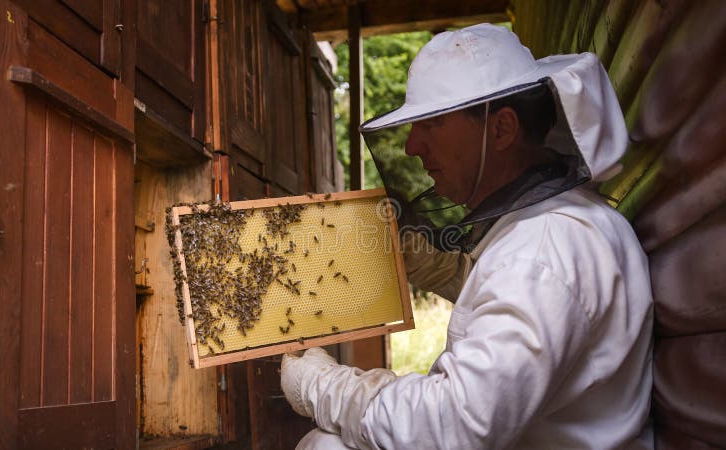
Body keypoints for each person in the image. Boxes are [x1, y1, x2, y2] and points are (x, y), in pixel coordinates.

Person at [280, 24, 654, 449]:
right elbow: (521, 301)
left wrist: (320, 385)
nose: (412, 146)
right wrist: (442, 269)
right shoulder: (548, 228)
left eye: (431, 122)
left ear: (501, 130)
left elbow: (453, 426)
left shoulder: (543, 251)